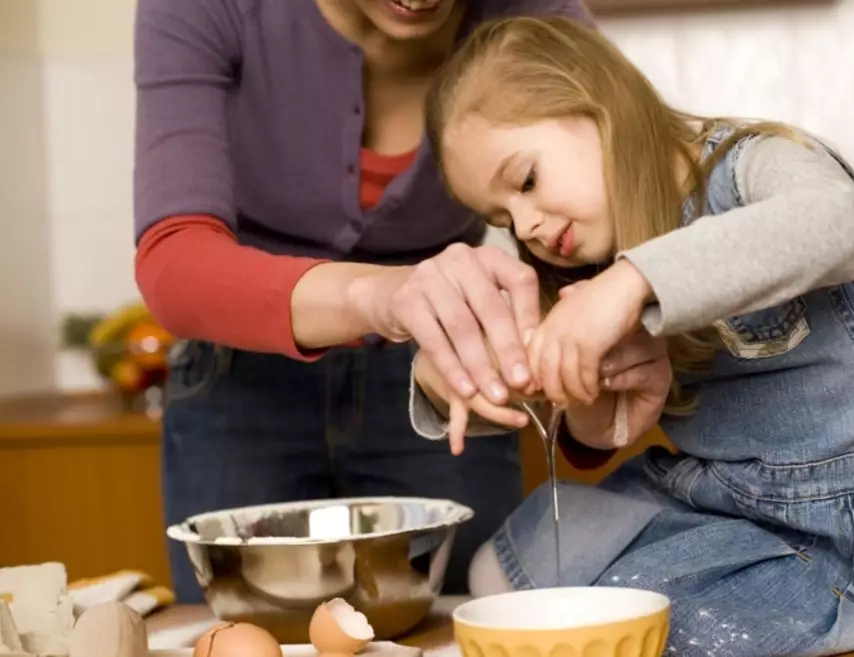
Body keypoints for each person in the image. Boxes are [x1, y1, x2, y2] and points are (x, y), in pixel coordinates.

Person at [410, 16, 854, 656]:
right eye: (502, 218)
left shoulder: (753, 165)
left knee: (617, 623)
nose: (528, 225)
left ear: (596, 105)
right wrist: (450, 371)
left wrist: (632, 282)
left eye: (528, 180)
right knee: (507, 563)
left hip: (847, 531)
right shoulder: (587, 257)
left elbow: (835, 219)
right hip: (720, 496)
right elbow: (596, 430)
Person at [131, 0, 595, 601]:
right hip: (239, 379)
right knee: (242, 634)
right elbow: (174, 262)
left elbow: (614, 207)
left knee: (466, 620)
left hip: (441, 376)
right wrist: (385, 293)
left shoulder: (535, 13)